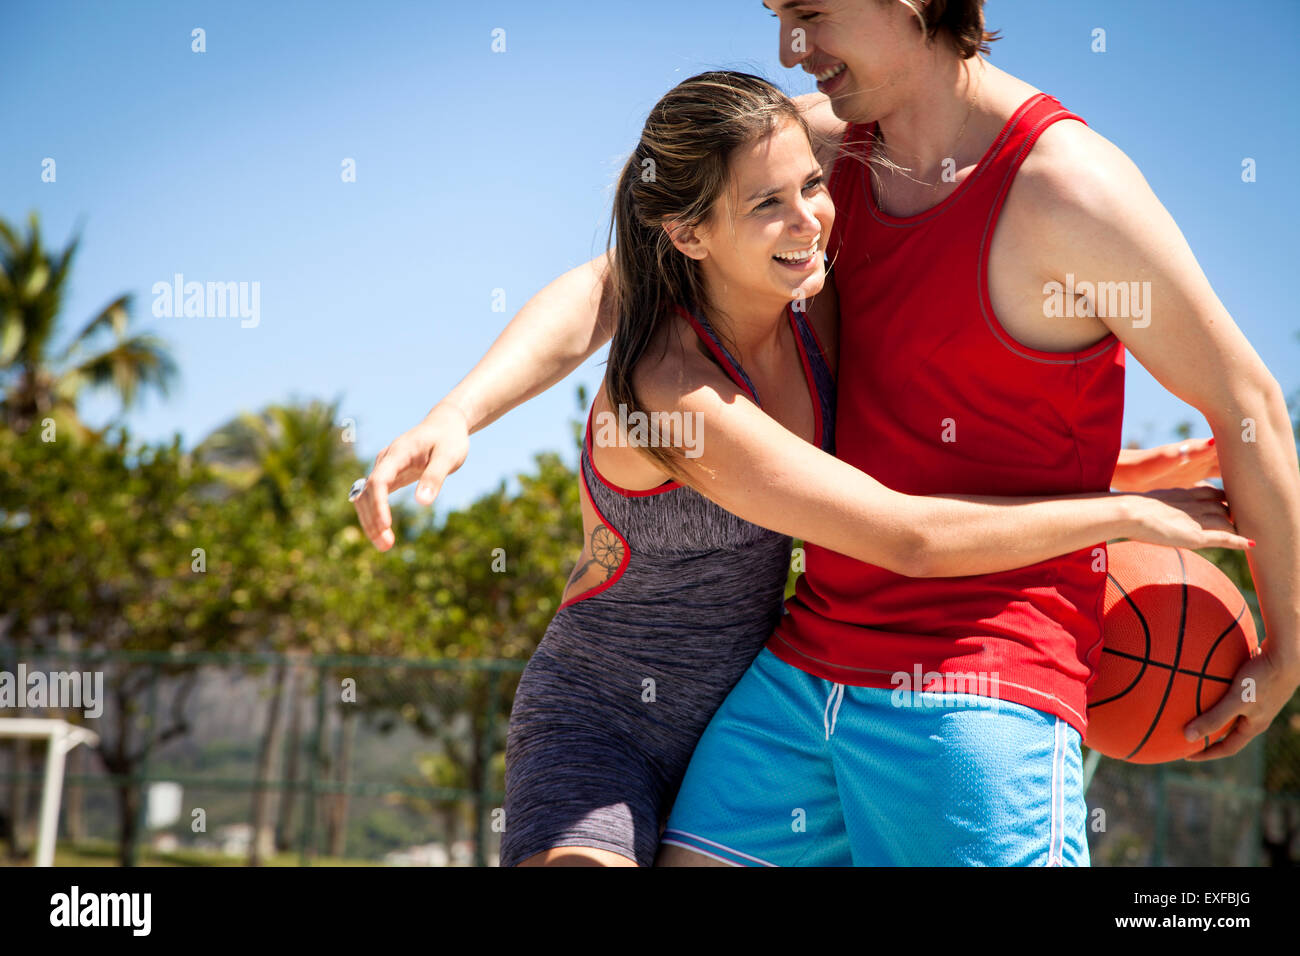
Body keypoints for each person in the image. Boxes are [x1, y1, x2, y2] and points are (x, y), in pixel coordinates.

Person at [355, 2, 1300, 866]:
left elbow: (1247, 403)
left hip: (964, 681)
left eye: (808, 13)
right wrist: (458, 411)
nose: (789, 50)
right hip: (769, 680)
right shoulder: (794, 186)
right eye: (778, 17)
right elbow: (612, 283)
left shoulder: (1057, 188)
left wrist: (1288, 651)